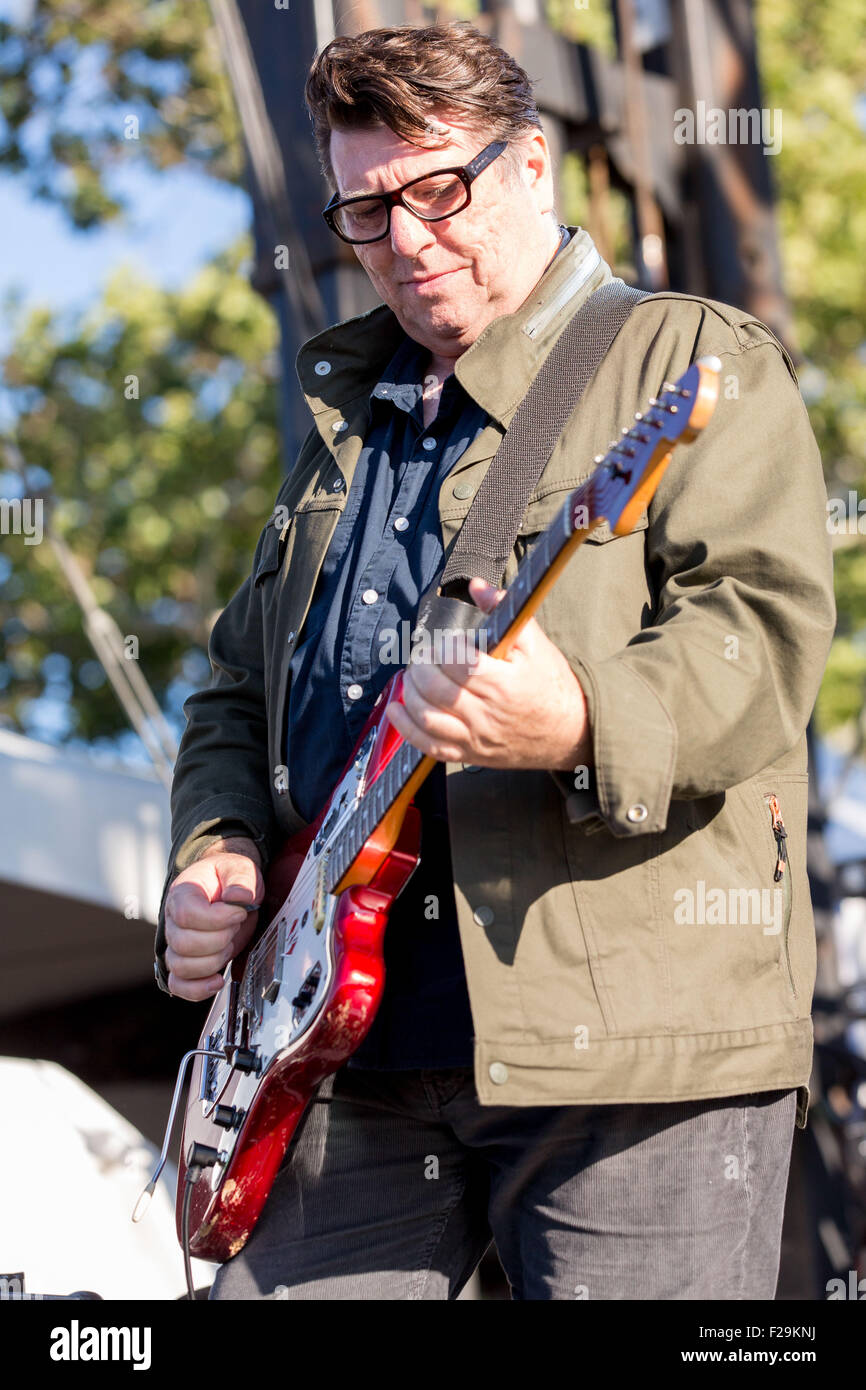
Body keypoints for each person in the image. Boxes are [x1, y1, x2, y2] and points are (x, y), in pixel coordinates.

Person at [153, 22, 836, 1300]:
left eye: (436, 190)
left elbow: (759, 639)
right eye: (365, 210)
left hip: (624, 1053)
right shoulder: (342, 433)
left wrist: (580, 715)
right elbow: (237, 691)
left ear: (531, 166)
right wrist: (217, 851)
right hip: (334, 1061)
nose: (403, 239)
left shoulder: (684, 361)